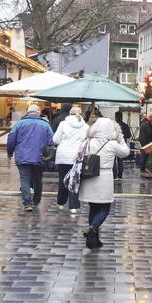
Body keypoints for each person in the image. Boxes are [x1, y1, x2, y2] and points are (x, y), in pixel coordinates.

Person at [77, 118, 130, 249]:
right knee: (105, 208)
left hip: (88, 176)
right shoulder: (111, 144)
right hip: (104, 177)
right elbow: (125, 152)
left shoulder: (87, 142)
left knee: (93, 208)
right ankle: (92, 229)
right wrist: (120, 137)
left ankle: (94, 240)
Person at [7, 104, 54, 212]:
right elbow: (51, 141)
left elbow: (11, 139)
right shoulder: (46, 125)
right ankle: (36, 200)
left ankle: (27, 202)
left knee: (25, 179)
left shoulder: (19, 124)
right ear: (39, 113)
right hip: (40, 156)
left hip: (22, 156)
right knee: (38, 179)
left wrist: (10, 152)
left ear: (27, 113)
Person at [52, 106, 87, 214]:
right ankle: (73, 206)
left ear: (70, 113)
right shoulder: (85, 126)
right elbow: (86, 141)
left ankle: (61, 202)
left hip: (63, 155)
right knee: (75, 179)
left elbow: (55, 140)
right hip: (76, 156)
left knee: (63, 178)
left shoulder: (63, 124)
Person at [113, 111, 132, 179]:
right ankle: (120, 175)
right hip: (122, 144)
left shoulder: (113, 125)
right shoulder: (125, 125)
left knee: (113, 160)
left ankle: (114, 175)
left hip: (114, 144)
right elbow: (129, 135)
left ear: (115, 117)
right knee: (120, 160)